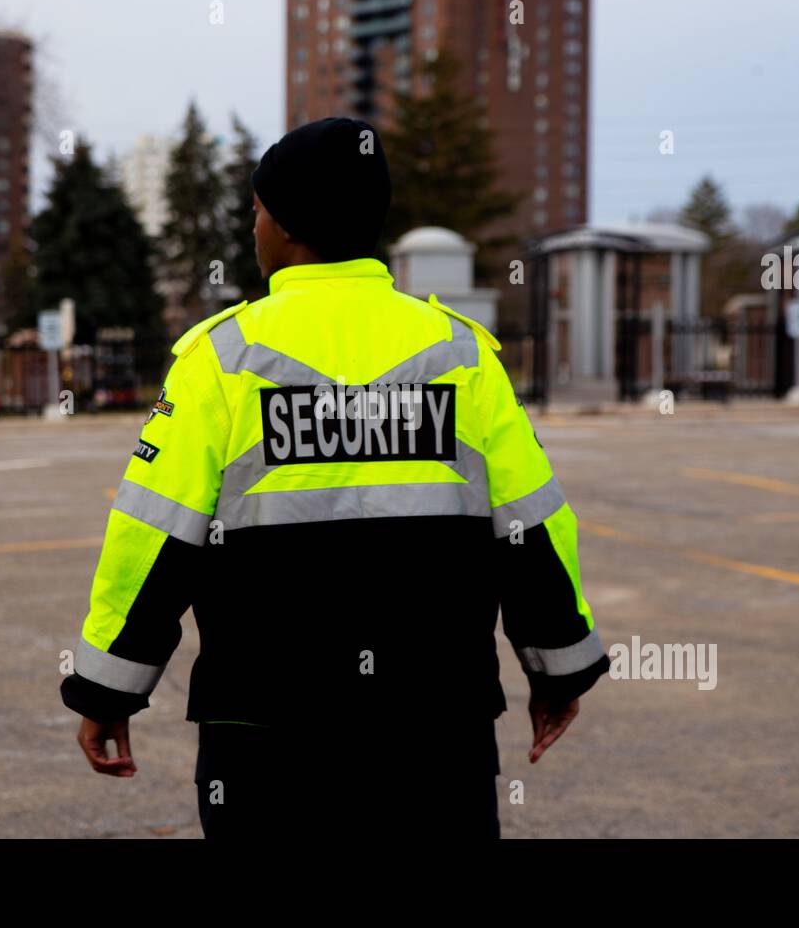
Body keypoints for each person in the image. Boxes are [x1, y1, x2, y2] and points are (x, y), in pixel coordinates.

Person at [61, 116, 608, 839]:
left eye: (256, 210)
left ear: (285, 227)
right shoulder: (461, 354)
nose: (252, 227)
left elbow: (154, 539)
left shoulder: (221, 360)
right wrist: (558, 668)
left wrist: (108, 689)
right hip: (436, 730)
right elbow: (531, 528)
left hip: (265, 732)